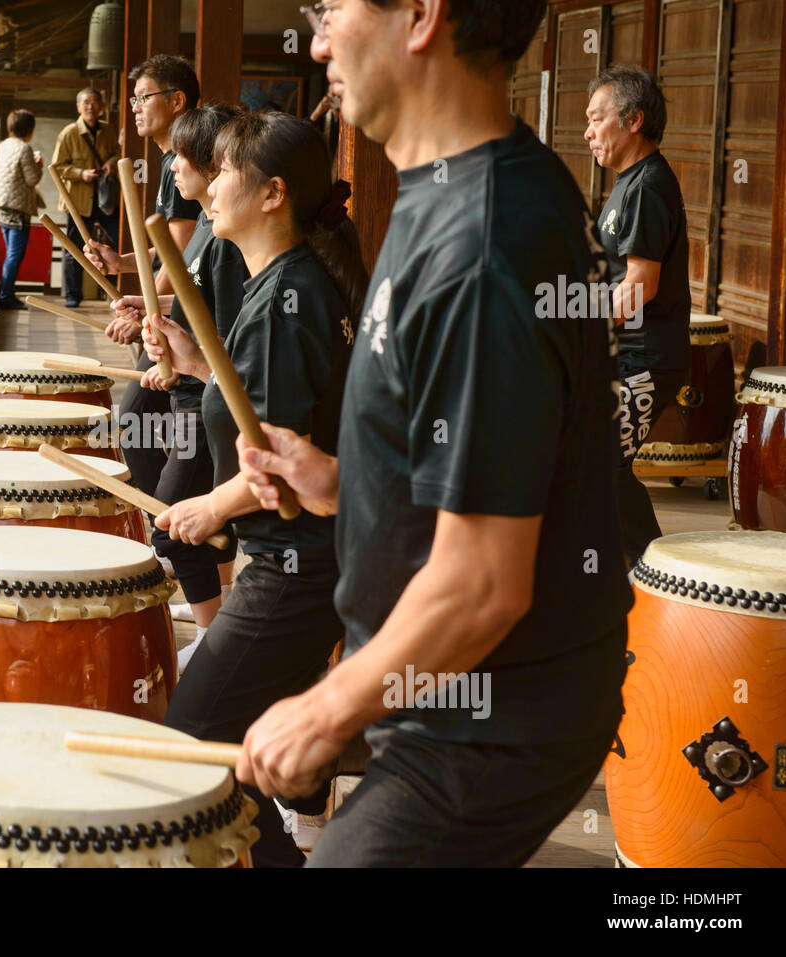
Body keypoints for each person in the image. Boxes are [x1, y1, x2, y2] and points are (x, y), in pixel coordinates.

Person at [234, 0, 632, 866]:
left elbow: (485, 582)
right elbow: (494, 456)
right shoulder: (448, 187)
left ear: (420, 15)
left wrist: (326, 705)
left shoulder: (484, 243)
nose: (318, 41)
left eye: (331, 9)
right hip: (449, 690)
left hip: (489, 714)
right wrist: (343, 481)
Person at [144, 109, 363, 867]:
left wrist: (212, 505)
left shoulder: (286, 298)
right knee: (242, 751)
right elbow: (265, 412)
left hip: (291, 568)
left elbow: (281, 458)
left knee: (191, 746)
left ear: (272, 194)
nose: (209, 187)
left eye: (226, 172)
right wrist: (197, 365)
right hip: (300, 560)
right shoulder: (288, 285)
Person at [122, 104, 247, 672]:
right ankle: (214, 625)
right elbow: (199, 307)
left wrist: (187, 355)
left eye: (180, 156)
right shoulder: (203, 225)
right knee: (179, 514)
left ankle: (216, 638)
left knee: (174, 519)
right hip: (193, 391)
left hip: (209, 398)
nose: (170, 165)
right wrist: (160, 317)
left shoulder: (223, 239)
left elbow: (228, 326)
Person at [85, 55, 202, 507]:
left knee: (138, 420)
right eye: (132, 99)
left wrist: (153, 314)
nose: (134, 107)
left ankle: (171, 526)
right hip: (178, 313)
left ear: (177, 101)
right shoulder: (173, 161)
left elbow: (186, 253)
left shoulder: (184, 161)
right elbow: (171, 246)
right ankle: (177, 530)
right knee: (152, 424)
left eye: (143, 97)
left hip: (190, 320)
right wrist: (122, 263)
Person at [585, 64, 691, 565]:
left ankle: (652, 574)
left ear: (633, 120)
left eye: (596, 118)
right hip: (625, 354)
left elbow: (639, 287)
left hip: (644, 359)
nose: (588, 132)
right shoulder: (629, 183)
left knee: (597, 459)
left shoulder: (648, 184)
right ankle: (643, 574)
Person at [50, 88, 120, 308]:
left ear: (101, 106)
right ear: (79, 107)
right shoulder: (69, 133)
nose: (90, 106)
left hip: (104, 199)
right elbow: (57, 167)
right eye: (86, 103)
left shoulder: (108, 130)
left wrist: (111, 163)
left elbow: (118, 153)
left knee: (120, 240)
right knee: (74, 248)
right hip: (78, 201)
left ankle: (118, 292)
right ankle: (73, 295)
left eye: (94, 102)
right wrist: (82, 174)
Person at [0, 109, 43, 311]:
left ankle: (6, 293)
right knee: (15, 255)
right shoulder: (24, 149)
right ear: (29, 130)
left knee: (9, 254)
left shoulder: (3, 145)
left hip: (2, 207)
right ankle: (5, 296)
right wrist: (38, 166)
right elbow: (32, 179)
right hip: (18, 208)